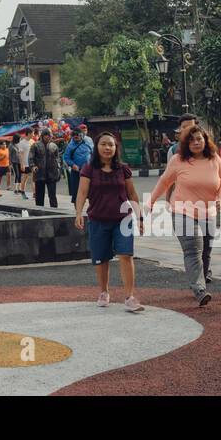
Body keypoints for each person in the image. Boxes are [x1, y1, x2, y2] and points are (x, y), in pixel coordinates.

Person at [149, 124, 221, 306]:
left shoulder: (214, 159)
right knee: (193, 249)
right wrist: (151, 202)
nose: (196, 142)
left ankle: (201, 281)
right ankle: (199, 289)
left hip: (208, 212)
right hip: (182, 211)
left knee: (206, 251)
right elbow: (164, 182)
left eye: (199, 139)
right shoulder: (178, 160)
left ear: (205, 140)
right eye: (191, 140)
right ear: (185, 143)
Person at [74, 131, 143, 312]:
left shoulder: (123, 169)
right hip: (98, 219)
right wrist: (78, 213)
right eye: (104, 144)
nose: (107, 147)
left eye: (111, 145)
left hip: (123, 219)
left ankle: (129, 297)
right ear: (97, 147)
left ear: (115, 148)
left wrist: (139, 215)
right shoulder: (89, 169)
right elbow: (81, 193)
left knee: (126, 255)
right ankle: (104, 292)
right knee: (101, 259)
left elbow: (132, 194)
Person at [62, 128, 93, 205]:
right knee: (76, 192)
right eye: (74, 136)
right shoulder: (70, 146)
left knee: (91, 192)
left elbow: (94, 154)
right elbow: (66, 158)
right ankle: (78, 211)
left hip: (89, 171)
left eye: (77, 136)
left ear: (82, 135)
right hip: (76, 171)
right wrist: (72, 165)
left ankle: (92, 209)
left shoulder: (88, 142)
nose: (75, 137)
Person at [31, 130, 61, 208]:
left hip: (52, 174)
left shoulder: (54, 146)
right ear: (42, 136)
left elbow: (57, 158)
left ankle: (55, 212)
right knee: (39, 196)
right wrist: (33, 166)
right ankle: (39, 212)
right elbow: (31, 158)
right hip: (40, 174)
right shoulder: (35, 145)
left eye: (49, 135)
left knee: (52, 195)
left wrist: (58, 169)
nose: (48, 137)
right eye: (46, 135)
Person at [11, 132, 31, 196]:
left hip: (20, 161)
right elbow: (9, 155)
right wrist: (9, 163)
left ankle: (19, 188)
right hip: (14, 162)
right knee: (17, 174)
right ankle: (16, 189)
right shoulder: (11, 145)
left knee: (20, 175)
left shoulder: (19, 144)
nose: (20, 139)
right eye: (19, 138)